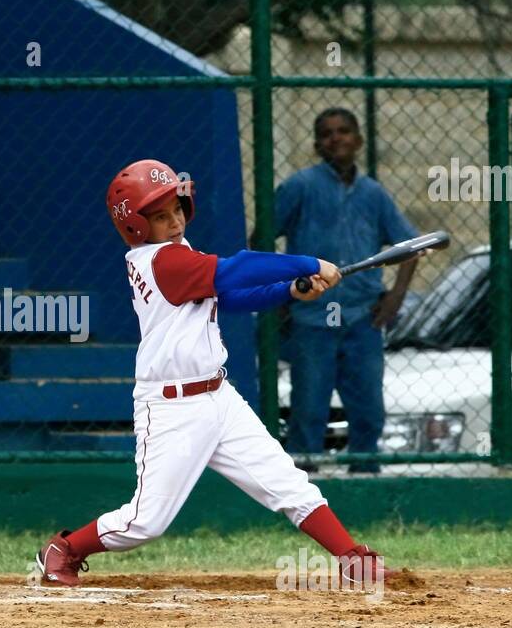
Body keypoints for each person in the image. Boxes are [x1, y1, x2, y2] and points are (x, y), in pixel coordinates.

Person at [34, 160, 390, 588]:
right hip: (172, 406)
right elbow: (235, 269)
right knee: (145, 523)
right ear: (136, 226)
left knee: (287, 483)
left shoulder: (178, 256)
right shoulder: (160, 261)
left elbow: (227, 299)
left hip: (218, 397)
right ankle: (66, 548)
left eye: (177, 209)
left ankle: (351, 558)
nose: (175, 221)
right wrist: (307, 262)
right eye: (160, 216)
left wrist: (290, 291)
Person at [274, 108, 419, 472]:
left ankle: (364, 480)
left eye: (343, 131)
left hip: (363, 319)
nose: (335, 138)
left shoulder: (374, 194)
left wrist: (396, 296)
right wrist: (278, 295)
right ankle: (302, 491)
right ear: (316, 145)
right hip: (311, 317)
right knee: (309, 411)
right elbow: (261, 238)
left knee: (368, 411)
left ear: (359, 140)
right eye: (326, 134)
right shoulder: (300, 186)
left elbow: (411, 247)